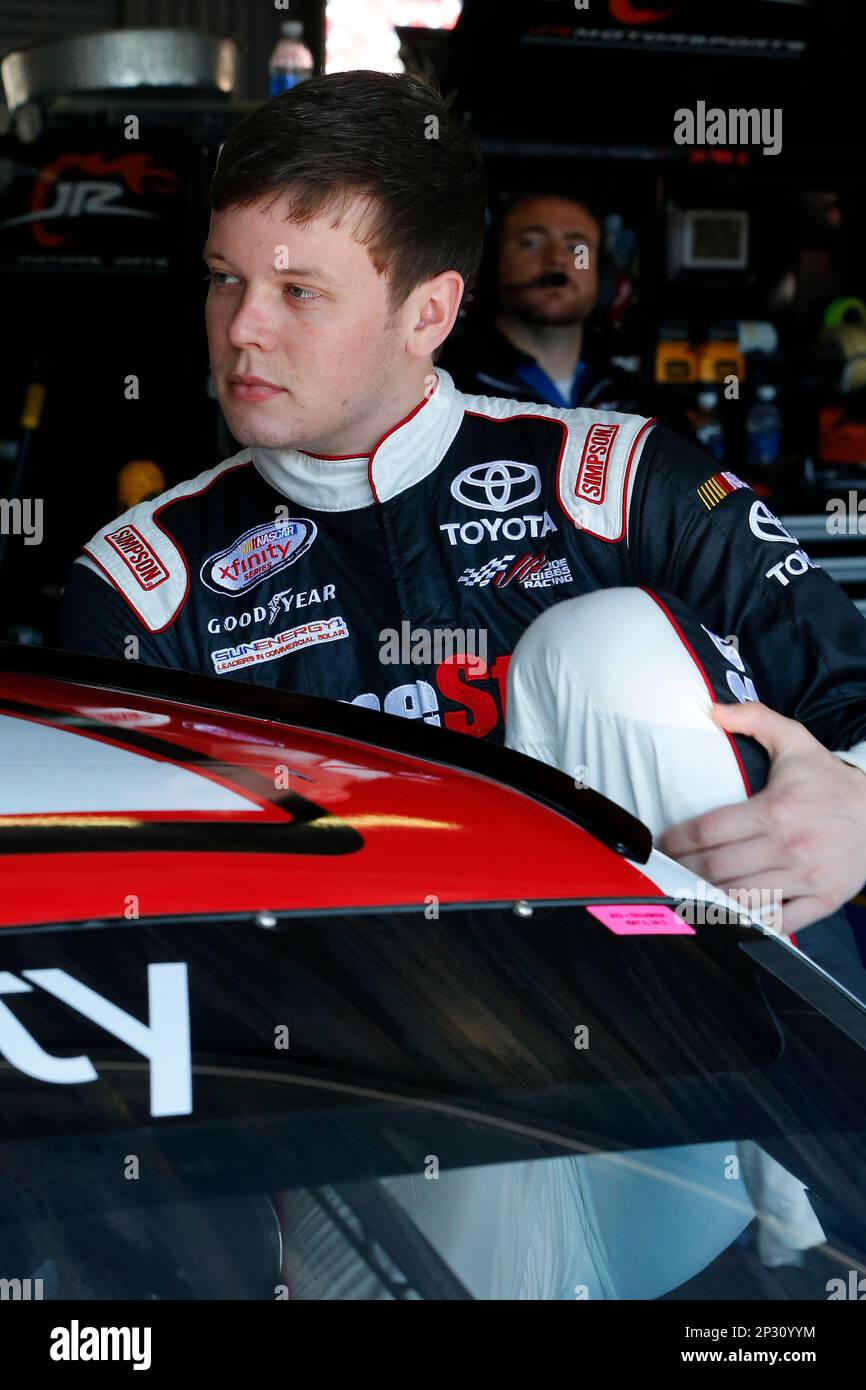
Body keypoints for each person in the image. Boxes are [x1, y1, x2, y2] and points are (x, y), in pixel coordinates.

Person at [59, 68, 866, 950]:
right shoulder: (146, 584)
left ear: (428, 312)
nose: (242, 327)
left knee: (613, 648)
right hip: (346, 1035)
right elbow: (121, 914)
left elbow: (846, 685)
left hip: (668, 1032)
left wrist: (854, 808)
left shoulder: (614, 479)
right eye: (224, 278)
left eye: (299, 292)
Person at [439, 183, 643, 412]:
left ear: (605, 278)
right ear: (491, 266)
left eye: (577, 248)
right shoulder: (447, 387)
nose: (557, 258)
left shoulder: (634, 390)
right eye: (531, 243)